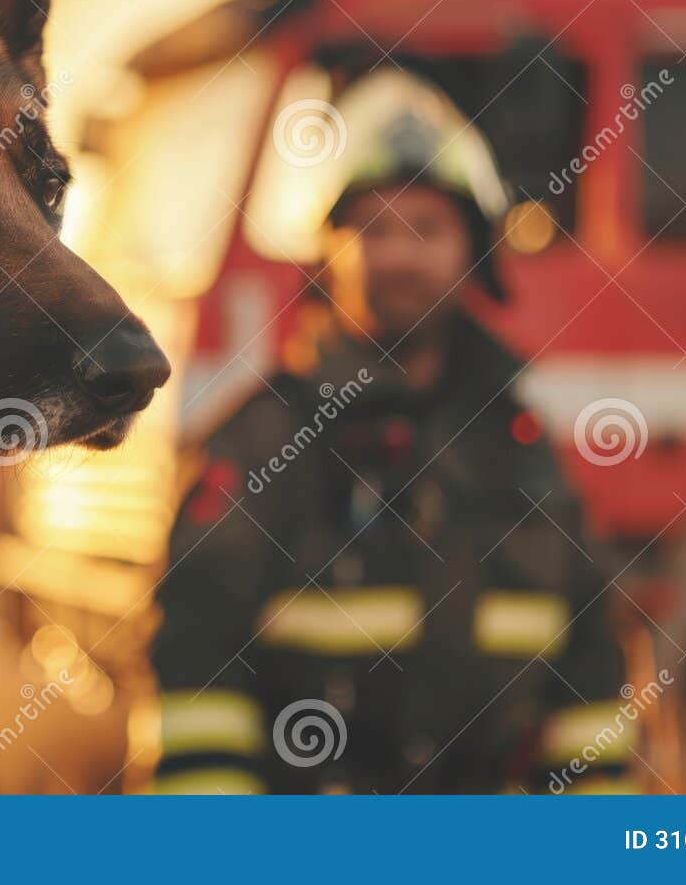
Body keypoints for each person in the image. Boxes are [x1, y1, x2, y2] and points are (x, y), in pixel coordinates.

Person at [144, 70, 637, 794]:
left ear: (475, 252)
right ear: (330, 253)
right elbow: (198, 672)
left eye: (427, 228)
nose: (400, 256)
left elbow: (588, 669)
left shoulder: (519, 441)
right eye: (374, 229)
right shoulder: (265, 441)